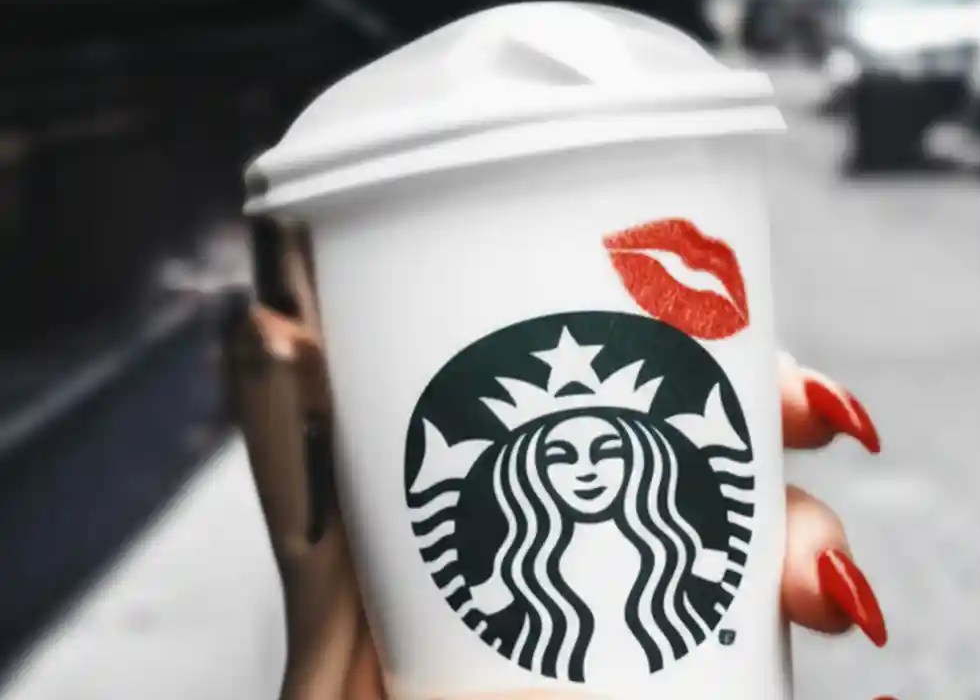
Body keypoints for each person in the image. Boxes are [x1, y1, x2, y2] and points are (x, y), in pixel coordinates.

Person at [231, 225, 887, 699]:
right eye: (560, 454)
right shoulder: (508, 575)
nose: (586, 470)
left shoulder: (674, 563)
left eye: (606, 448)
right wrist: (325, 634)